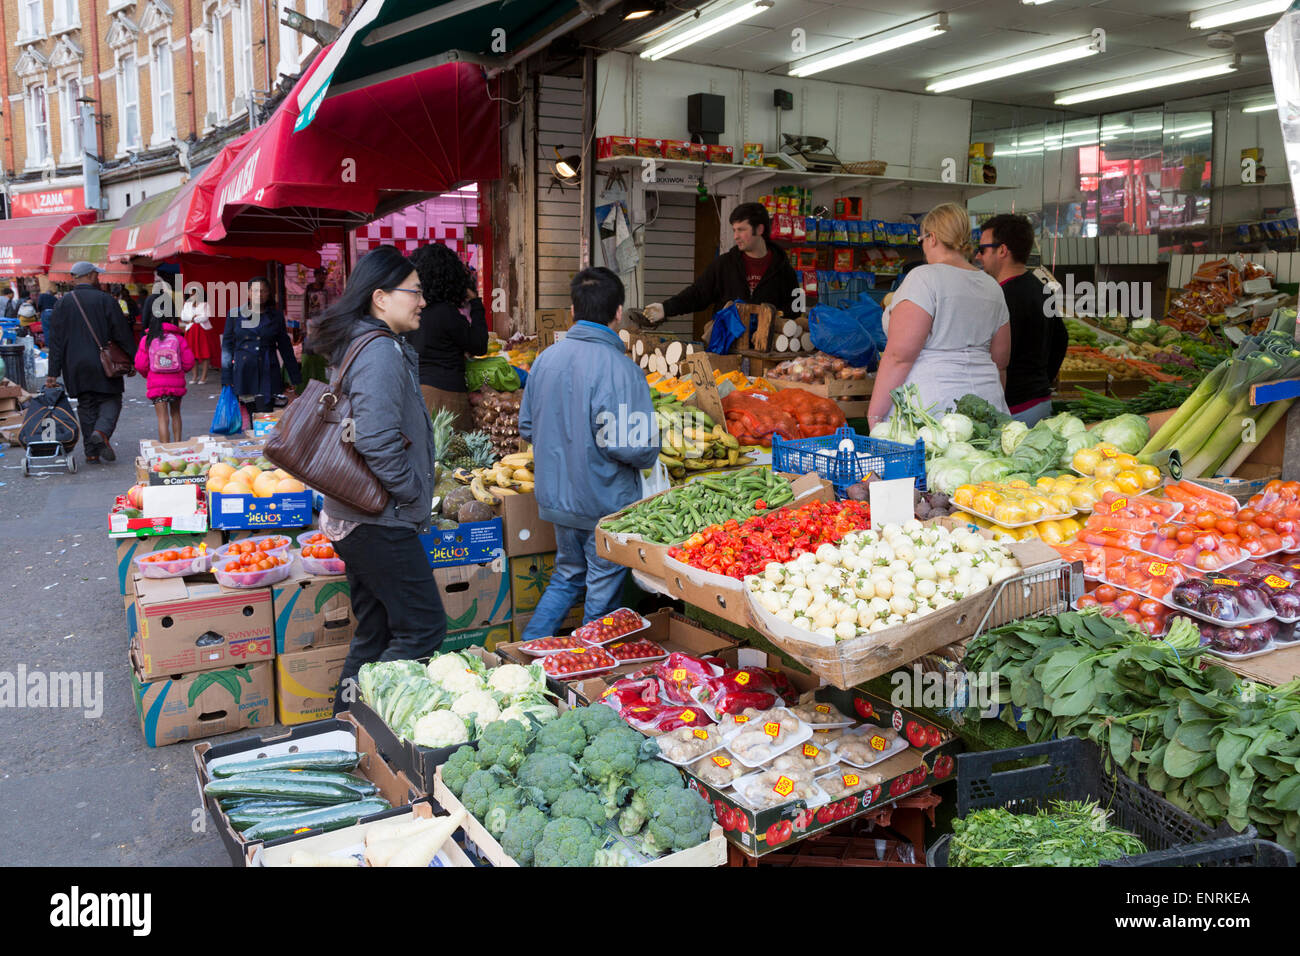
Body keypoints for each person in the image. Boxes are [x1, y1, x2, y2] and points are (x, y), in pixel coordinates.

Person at [305, 245, 444, 714]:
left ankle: (344, 724)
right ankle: (372, 716)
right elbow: (377, 439)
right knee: (423, 629)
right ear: (381, 298)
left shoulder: (365, 342)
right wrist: (409, 493)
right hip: (379, 518)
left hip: (358, 516)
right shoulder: (380, 350)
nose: (423, 301)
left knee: (376, 630)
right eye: (415, 292)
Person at [518, 267, 660, 640]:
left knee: (567, 575)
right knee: (601, 586)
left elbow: (528, 429)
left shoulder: (545, 360)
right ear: (618, 313)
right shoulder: (622, 370)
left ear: (571, 311)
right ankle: (586, 667)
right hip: (604, 503)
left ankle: (524, 652)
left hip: (556, 499)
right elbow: (636, 448)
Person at [867, 202, 1011, 425]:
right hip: (987, 404)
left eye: (921, 240)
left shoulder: (924, 278)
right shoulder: (992, 287)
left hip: (934, 409)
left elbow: (898, 357)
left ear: (932, 238)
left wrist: (875, 415)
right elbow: (1000, 361)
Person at [975, 214, 1068, 426]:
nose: (978, 257)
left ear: (1002, 250)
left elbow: (990, 357)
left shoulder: (1000, 298)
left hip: (1013, 410)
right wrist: (1041, 383)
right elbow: (1061, 339)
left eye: (982, 250)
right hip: (1040, 403)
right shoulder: (1041, 288)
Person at [643, 202, 800, 325]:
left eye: (741, 230)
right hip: (727, 350)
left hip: (767, 354)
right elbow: (697, 294)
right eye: (734, 230)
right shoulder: (725, 264)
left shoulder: (785, 271)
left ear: (759, 229)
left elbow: (796, 311)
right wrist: (666, 308)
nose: (736, 236)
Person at [45, 261, 135, 463]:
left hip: (74, 365)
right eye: (96, 274)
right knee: (111, 399)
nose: (98, 277)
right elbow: (121, 333)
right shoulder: (105, 300)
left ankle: (91, 452)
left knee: (86, 405)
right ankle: (101, 433)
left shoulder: (62, 303)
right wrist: (132, 358)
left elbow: (56, 341)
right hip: (104, 363)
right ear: (90, 275)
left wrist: (53, 373)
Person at [405, 242, 488, 429]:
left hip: (413, 393)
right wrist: (475, 303)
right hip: (446, 396)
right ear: (450, 277)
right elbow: (479, 346)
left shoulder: (407, 312)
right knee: (450, 456)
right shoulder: (445, 313)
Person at [221, 276, 301, 426]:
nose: (260, 294)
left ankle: (264, 447)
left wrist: (295, 377)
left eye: (264, 291)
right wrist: (226, 377)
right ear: (249, 293)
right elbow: (227, 347)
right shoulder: (234, 315)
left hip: (268, 372)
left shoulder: (275, 316)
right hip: (245, 372)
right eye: (256, 291)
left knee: (266, 415)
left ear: (269, 293)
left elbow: (285, 346)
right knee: (250, 414)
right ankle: (253, 446)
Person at [134, 304, 195, 443]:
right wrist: (180, 371)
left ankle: (165, 450)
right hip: (176, 383)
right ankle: (178, 445)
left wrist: (148, 375)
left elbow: (140, 365)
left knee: (162, 418)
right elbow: (189, 362)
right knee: (176, 414)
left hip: (156, 384)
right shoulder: (179, 339)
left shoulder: (147, 339)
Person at [180, 287, 215, 385]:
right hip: (190, 331)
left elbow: (205, 317)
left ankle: (204, 377)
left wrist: (193, 319)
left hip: (203, 331)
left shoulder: (205, 304)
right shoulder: (186, 304)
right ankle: (195, 376)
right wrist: (194, 318)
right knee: (192, 354)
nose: (193, 296)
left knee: (205, 354)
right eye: (191, 294)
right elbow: (183, 316)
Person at [298, 266, 331, 345]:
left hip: (323, 320)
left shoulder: (326, 289)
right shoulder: (309, 288)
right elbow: (305, 304)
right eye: (321, 274)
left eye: (325, 274)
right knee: (312, 340)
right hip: (311, 319)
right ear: (315, 275)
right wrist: (303, 321)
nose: (323, 276)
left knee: (322, 341)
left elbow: (328, 304)